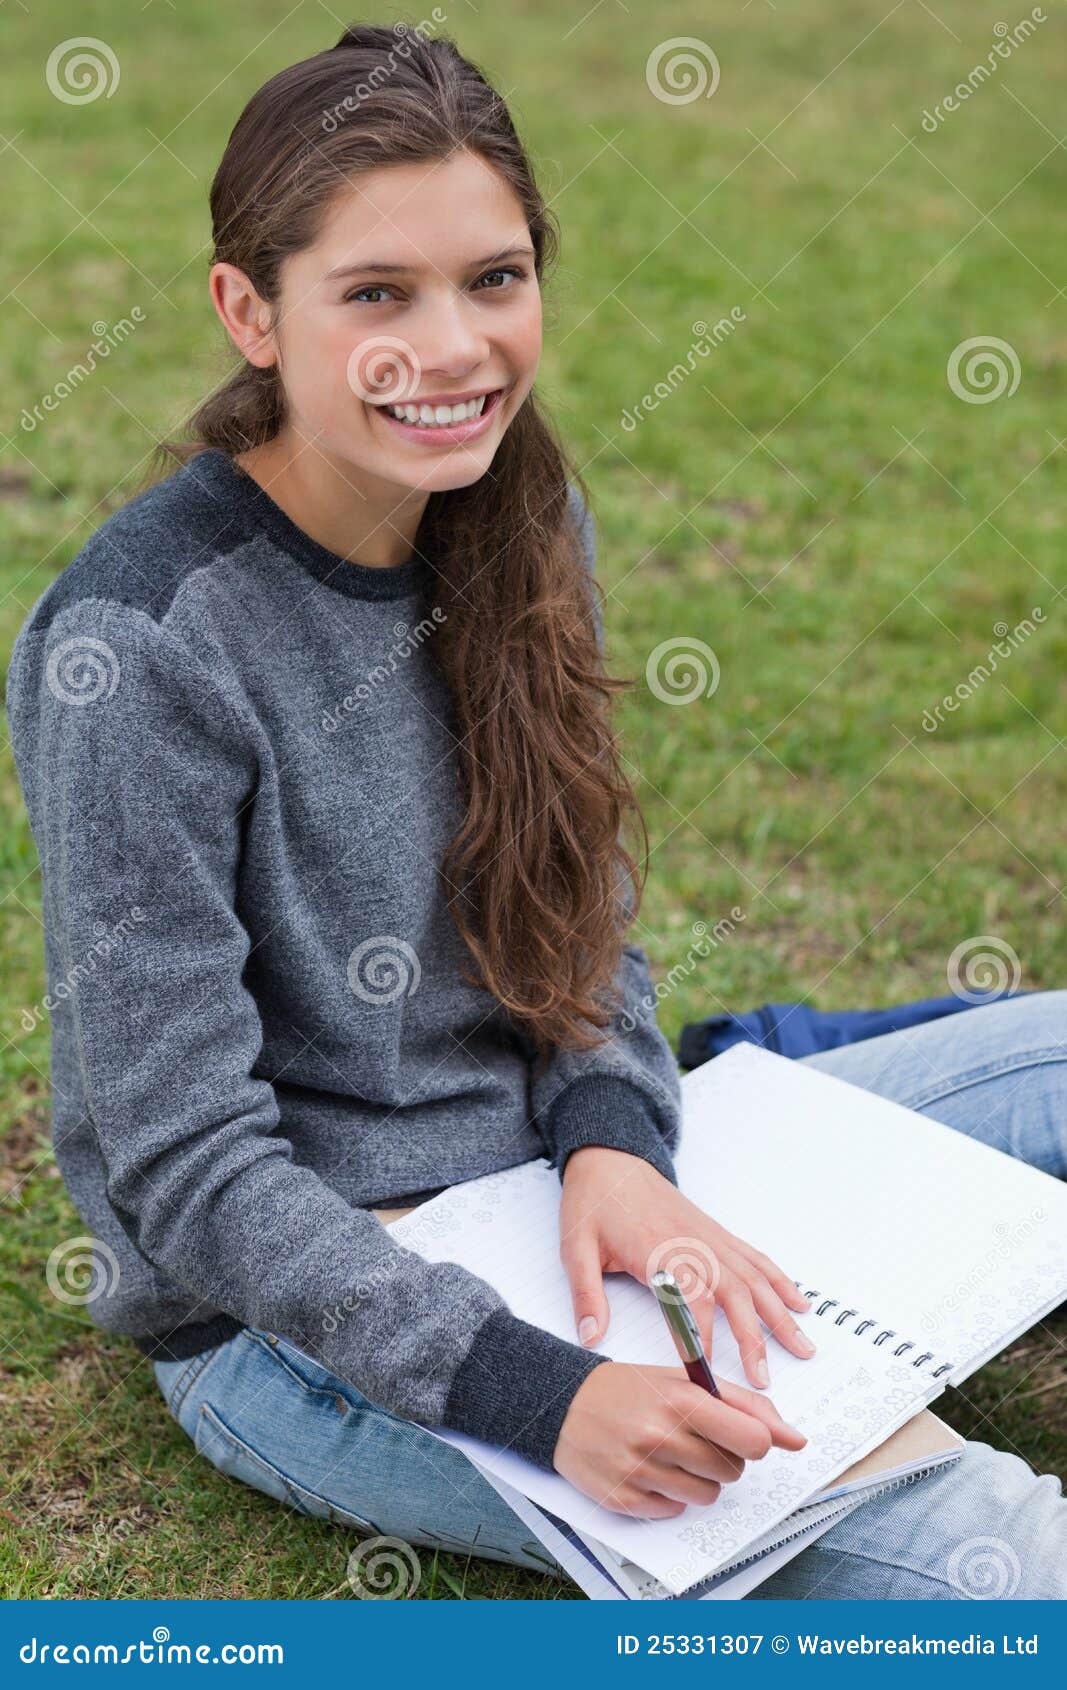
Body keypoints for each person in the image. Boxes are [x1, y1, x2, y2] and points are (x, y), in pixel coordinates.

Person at [7, 25, 1065, 1599]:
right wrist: (542, 1396)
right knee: (1009, 1560)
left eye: (494, 278)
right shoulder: (140, 646)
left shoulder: (522, 508)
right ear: (250, 311)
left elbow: (578, 909)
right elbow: (184, 1165)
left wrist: (614, 1139)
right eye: (378, 294)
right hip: (319, 1311)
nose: (454, 348)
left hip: (587, 1179)